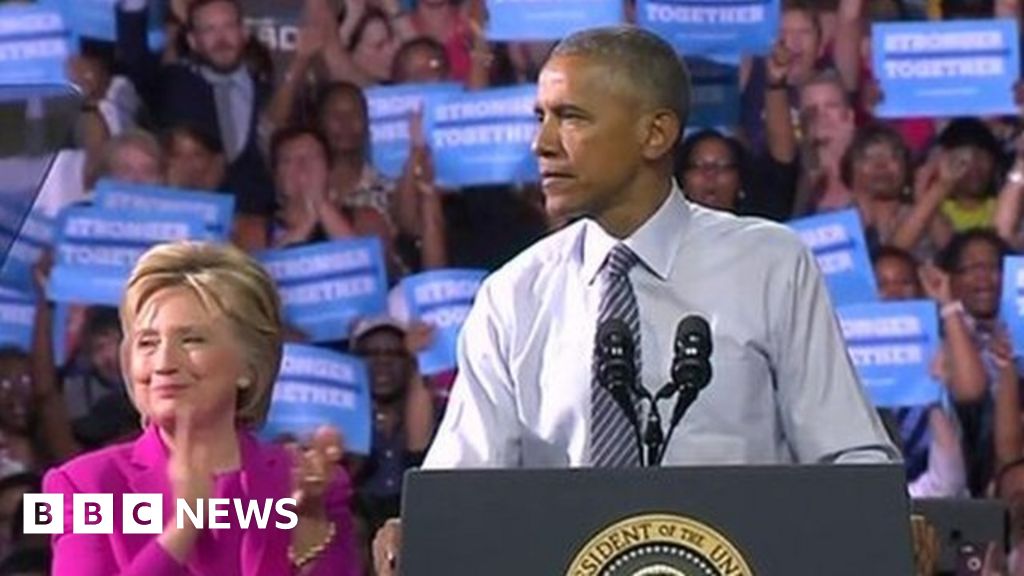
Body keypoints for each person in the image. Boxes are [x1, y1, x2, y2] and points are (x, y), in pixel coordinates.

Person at [371, 25, 897, 573]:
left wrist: (890, 523)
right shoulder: (512, 296)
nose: (542, 143)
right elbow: (462, 487)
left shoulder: (770, 265)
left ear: (655, 134)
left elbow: (850, 460)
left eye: (571, 117)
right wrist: (422, 528)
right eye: (541, 116)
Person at [43, 242, 360, 575]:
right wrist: (182, 530)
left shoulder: (308, 482)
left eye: (192, 340)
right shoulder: (82, 486)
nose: (164, 363)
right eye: (148, 343)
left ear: (248, 366)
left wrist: (309, 530)